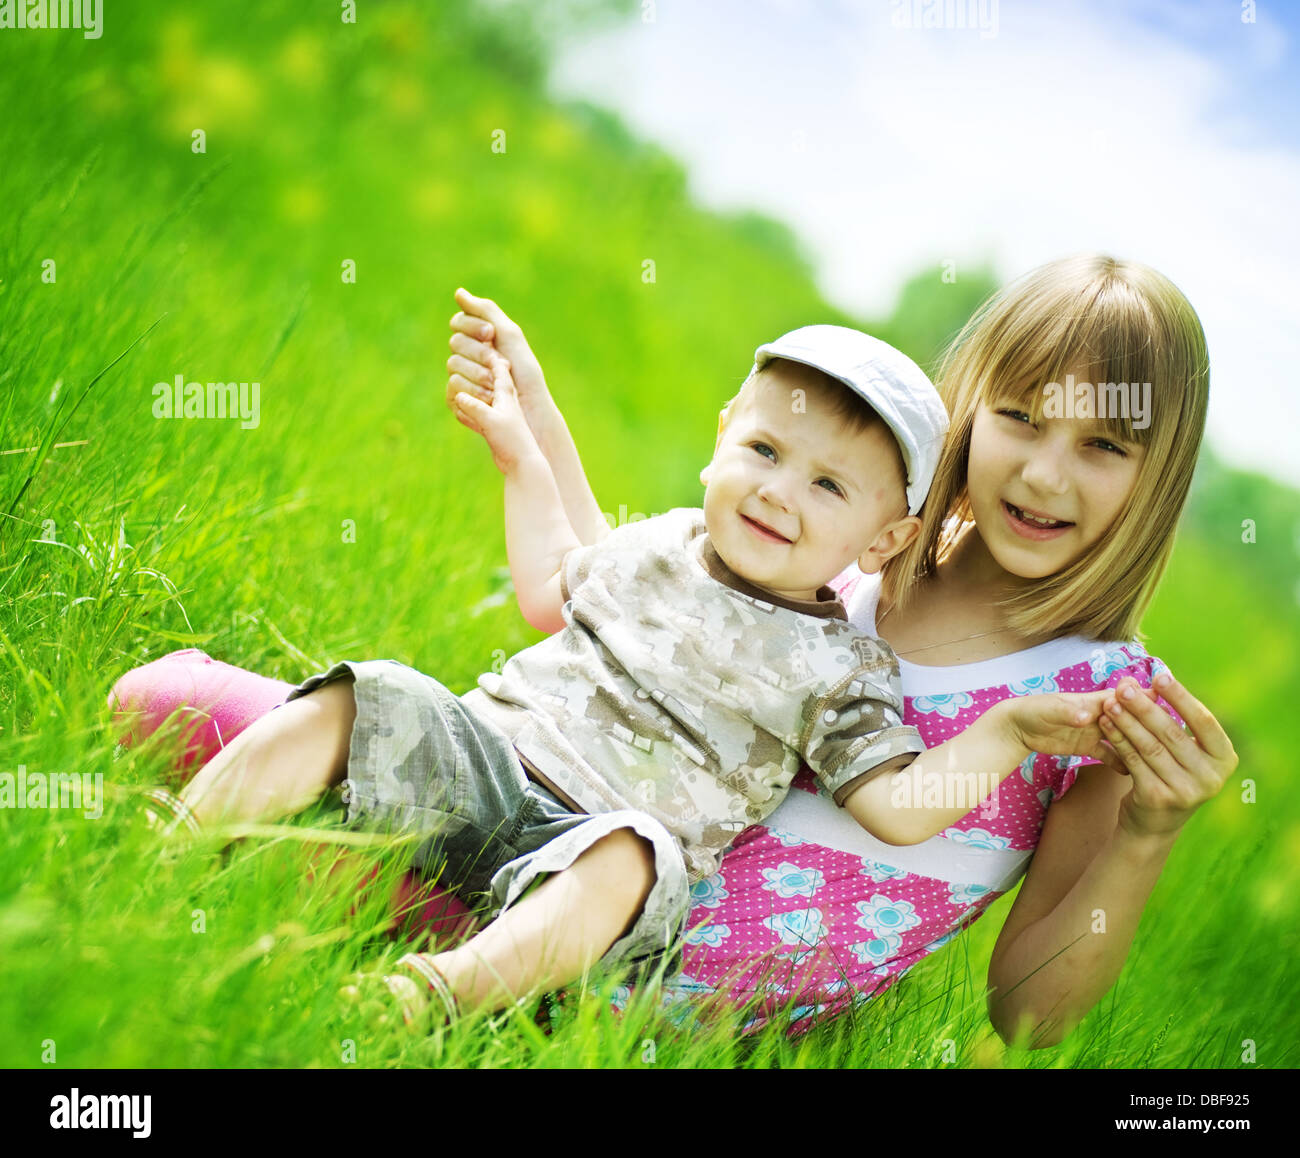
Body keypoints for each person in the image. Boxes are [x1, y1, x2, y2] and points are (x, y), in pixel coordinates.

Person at [123, 322, 1120, 1033]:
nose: (778, 491)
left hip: (591, 845)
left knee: (638, 859)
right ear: (722, 434)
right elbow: (554, 587)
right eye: (764, 450)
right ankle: (167, 852)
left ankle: (438, 994)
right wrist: (523, 450)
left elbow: (900, 809)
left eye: (826, 485)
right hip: (486, 758)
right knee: (364, 692)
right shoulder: (662, 545)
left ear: (889, 533)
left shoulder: (839, 666)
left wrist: (1011, 734)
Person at [440, 256, 1238, 1047]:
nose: (1043, 474)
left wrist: (1146, 836)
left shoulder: (1099, 705)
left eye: (1102, 445)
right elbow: (625, 601)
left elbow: (1028, 1016)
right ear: (967, 413)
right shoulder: (858, 544)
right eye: (1019, 418)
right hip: (532, 885)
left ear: (1158, 476)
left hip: (654, 1028)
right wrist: (536, 422)